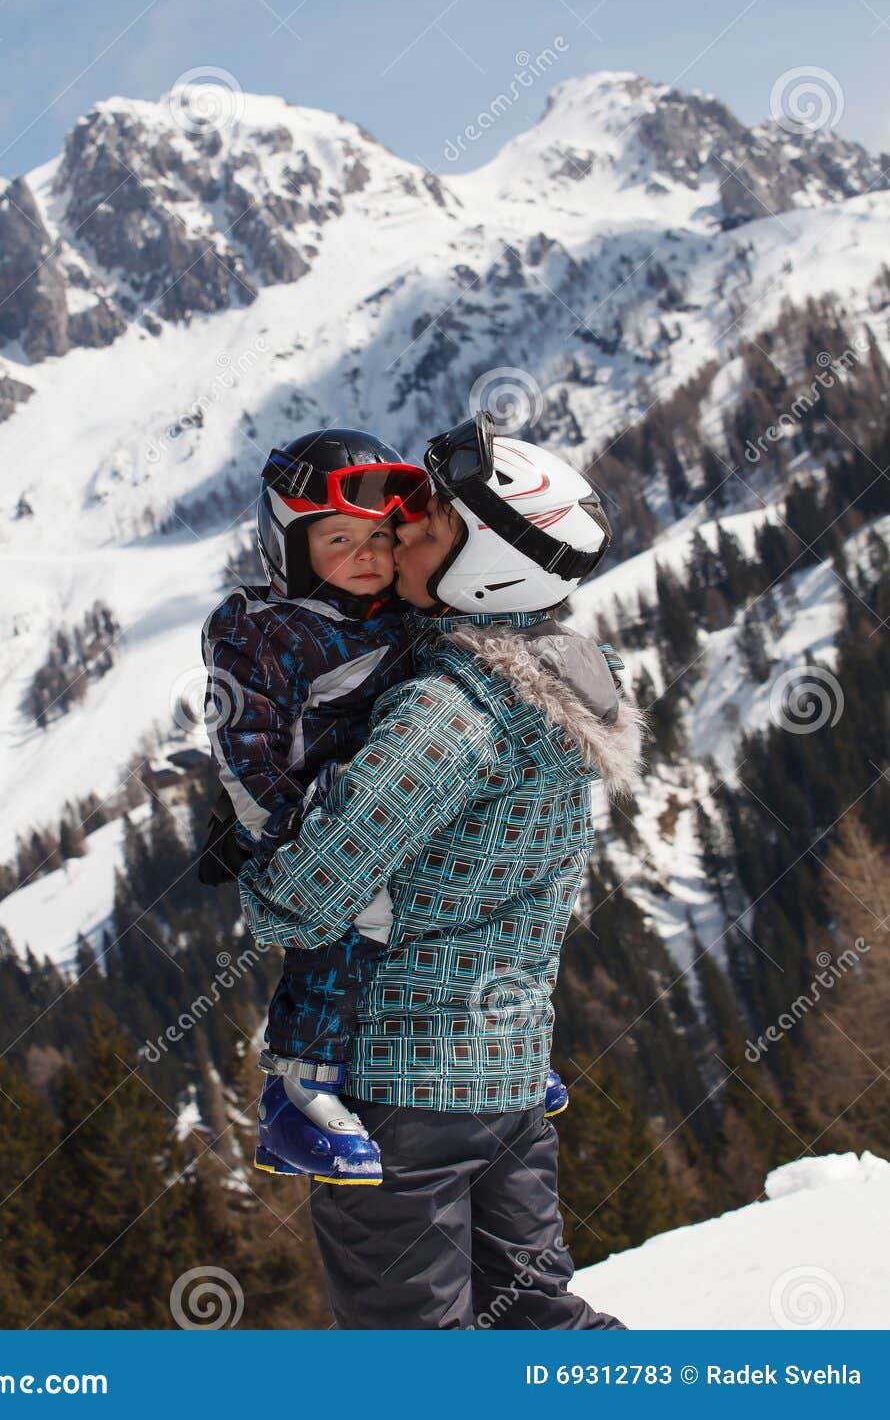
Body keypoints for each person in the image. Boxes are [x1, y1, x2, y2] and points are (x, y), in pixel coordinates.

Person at [237, 412, 643, 1329]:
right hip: (506, 1086)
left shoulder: (450, 714)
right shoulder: (560, 684)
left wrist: (263, 858)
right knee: (532, 1322)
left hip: (401, 1099)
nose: (404, 525)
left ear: (489, 569)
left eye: (436, 522)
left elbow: (304, 899)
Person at [200, 427, 431, 1184]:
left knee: (435, 921)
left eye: (381, 537)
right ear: (288, 545)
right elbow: (245, 743)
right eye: (340, 538)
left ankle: (466, 1057)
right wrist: (287, 833)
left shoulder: (399, 614)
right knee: (341, 935)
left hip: (399, 812)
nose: (369, 556)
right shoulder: (261, 632)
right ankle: (299, 1091)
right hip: (315, 824)